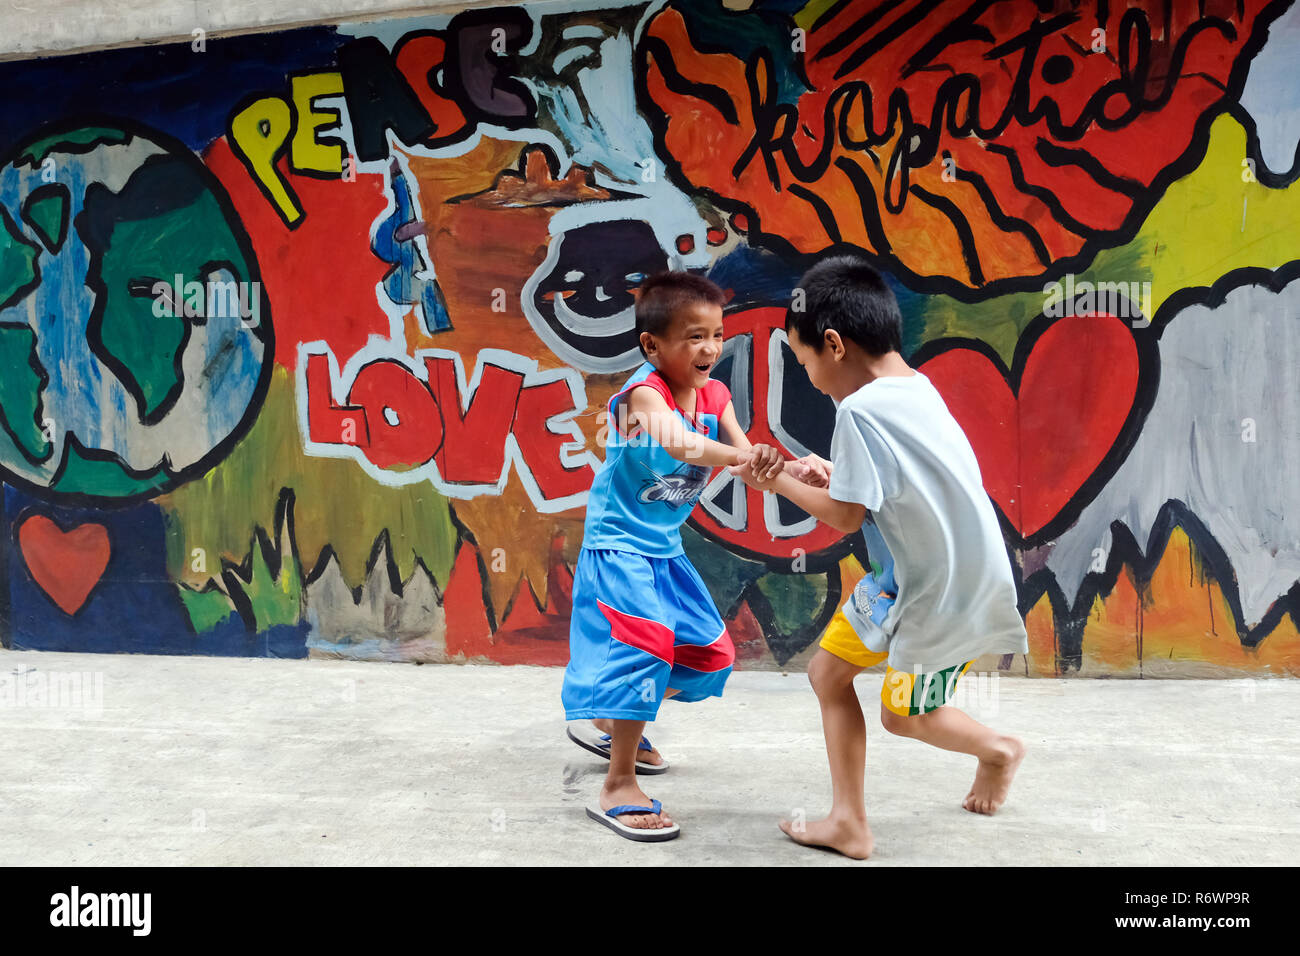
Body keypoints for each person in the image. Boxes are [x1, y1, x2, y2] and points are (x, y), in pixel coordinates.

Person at [730, 255, 1028, 859]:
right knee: (828, 674)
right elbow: (899, 488)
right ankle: (849, 822)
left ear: (834, 344)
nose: (809, 375)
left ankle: (998, 750)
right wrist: (835, 472)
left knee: (905, 717)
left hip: (943, 595)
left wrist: (776, 482)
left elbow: (845, 516)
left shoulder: (859, 411)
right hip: (905, 582)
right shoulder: (913, 389)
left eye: (804, 359)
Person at [562, 271, 783, 842]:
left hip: (664, 550)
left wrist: (786, 469)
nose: (710, 348)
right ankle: (617, 785)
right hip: (618, 547)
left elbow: (742, 459)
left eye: (716, 335)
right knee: (647, 646)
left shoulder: (716, 396)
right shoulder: (644, 394)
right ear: (652, 346)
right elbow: (680, 445)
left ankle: (614, 718)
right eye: (693, 336)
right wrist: (744, 456)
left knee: (709, 654)